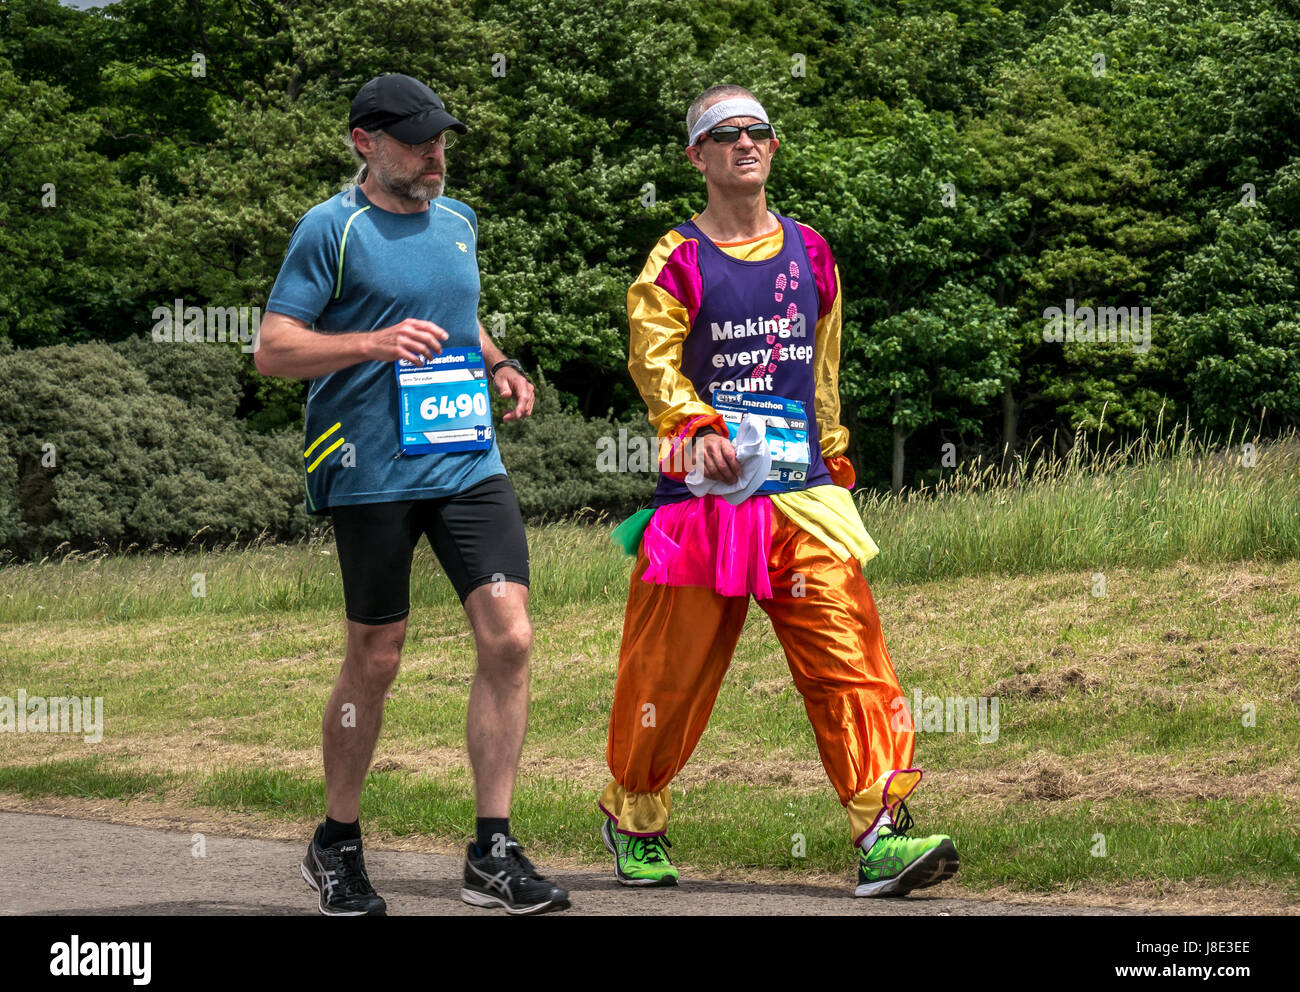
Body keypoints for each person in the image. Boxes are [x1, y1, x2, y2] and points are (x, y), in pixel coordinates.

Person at [598, 84, 960, 897]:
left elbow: (821, 372)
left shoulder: (814, 252)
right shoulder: (675, 261)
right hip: (703, 505)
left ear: (773, 145)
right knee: (668, 676)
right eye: (724, 134)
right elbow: (655, 369)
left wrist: (834, 457)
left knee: (850, 659)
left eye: (757, 130)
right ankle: (634, 815)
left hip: (802, 496)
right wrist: (696, 429)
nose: (744, 143)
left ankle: (879, 832)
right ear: (697, 156)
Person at [257, 73, 568, 916]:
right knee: (378, 657)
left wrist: (498, 361)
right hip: (369, 467)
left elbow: (455, 311)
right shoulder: (332, 228)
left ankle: (491, 849)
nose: (435, 153)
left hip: (467, 459)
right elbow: (274, 350)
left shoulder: (459, 220)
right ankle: (338, 843)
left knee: (509, 637)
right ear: (365, 141)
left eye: (441, 138)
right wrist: (371, 342)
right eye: (416, 139)